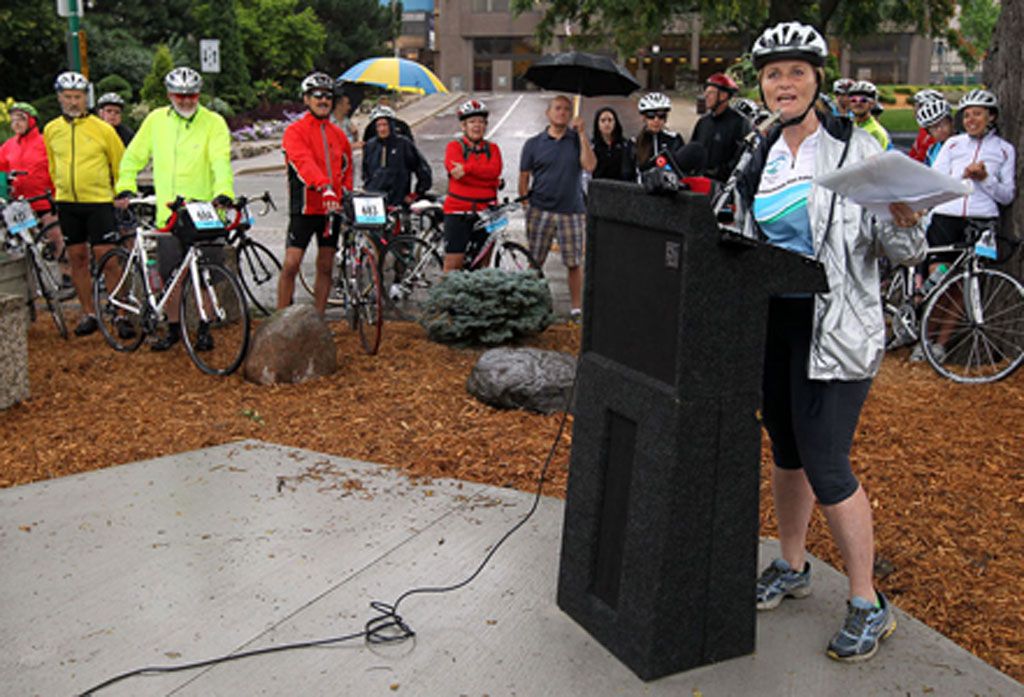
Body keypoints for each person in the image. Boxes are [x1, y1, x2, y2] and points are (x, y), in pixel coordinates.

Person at [736, 21, 927, 663]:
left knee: (826, 461)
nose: (784, 83)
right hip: (775, 327)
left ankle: (868, 602)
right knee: (787, 450)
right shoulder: (758, 152)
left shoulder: (855, 153)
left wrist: (905, 220)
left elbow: (902, 251)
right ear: (762, 85)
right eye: (773, 74)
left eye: (796, 71)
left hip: (837, 331)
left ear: (818, 79)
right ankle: (792, 565)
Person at [115, 66, 234, 352]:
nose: (186, 100)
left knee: (206, 276)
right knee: (170, 276)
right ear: (169, 94)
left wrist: (224, 193)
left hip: (202, 211)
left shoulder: (213, 122)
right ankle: (173, 329)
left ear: (199, 94)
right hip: (168, 213)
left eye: (191, 95)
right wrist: (125, 186)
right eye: (180, 95)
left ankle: (205, 328)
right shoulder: (156, 120)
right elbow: (133, 156)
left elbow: (220, 162)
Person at [911, 89, 1015, 362]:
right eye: (966, 115)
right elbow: (936, 182)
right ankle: (924, 338)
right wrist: (963, 176)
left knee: (962, 286)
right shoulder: (953, 145)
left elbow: (1007, 195)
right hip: (947, 217)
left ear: (991, 117)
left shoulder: (1005, 150)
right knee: (940, 281)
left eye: (977, 114)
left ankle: (940, 345)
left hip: (980, 220)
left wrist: (985, 179)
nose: (971, 120)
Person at [43, 71, 125, 337]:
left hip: (99, 202)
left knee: (108, 259)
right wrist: (57, 190)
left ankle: (121, 313)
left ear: (85, 98)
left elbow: (120, 163)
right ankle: (88, 312)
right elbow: (52, 164)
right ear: (59, 98)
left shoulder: (103, 129)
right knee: (77, 258)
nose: (73, 102)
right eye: (68, 97)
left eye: (77, 97)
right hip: (68, 202)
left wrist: (120, 192)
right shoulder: (52, 129)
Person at [278, 72, 354, 314]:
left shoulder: (338, 134)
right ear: (306, 99)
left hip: (331, 210)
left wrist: (345, 193)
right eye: (317, 95)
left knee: (326, 266)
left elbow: (347, 167)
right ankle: (280, 319)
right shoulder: (295, 131)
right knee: (291, 264)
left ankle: (318, 319)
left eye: (328, 96)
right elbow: (302, 162)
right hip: (305, 207)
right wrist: (324, 187)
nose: (323, 100)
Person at [518, 95, 596, 322]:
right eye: (558, 108)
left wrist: (582, 134)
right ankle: (531, 303)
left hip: (572, 211)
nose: (562, 112)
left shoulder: (577, 140)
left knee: (573, 262)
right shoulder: (533, 144)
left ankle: (576, 308)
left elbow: (590, 165)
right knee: (535, 261)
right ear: (548, 113)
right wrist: (526, 205)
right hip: (540, 210)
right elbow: (524, 177)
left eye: (566, 109)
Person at [0, 102, 67, 284]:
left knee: (55, 237)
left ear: (31, 121)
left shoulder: (45, 142)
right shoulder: (9, 146)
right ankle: (34, 279)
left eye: (21, 119)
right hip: (21, 203)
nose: (16, 123)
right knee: (25, 243)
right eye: (13, 119)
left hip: (45, 199)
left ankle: (65, 273)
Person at [442, 99, 503, 273]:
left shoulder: (493, 149)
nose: (477, 126)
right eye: (472, 122)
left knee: (482, 264)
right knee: (453, 265)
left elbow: (494, 171)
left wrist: (468, 169)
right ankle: (446, 292)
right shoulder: (454, 147)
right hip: (459, 211)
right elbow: (457, 174)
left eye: (481, 122)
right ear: (463, 126)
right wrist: (488, 180)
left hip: (487, 211)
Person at [362, 105, 432, 207]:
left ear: (391, 125)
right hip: (375, 201)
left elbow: (422, 169)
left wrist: (417, 193)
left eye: (385, 125)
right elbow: (366, 173)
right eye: (378, 125)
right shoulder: (370, 146)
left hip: (398, 202)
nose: (382, 129)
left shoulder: (404, 144)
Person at [691, 73, 752, 182]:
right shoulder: (703, 122)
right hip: (699, 183)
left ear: (724, 95)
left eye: (711, 93)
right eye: (705, 92)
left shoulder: (740, 123)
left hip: (725, 185)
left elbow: (743, 157)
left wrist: (721, 173)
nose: (706, 96)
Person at [634, 92, 685, 170]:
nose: (656, 120)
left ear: (665, 118)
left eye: (661, 116)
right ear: (644, 118)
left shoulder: (675, 139)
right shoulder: (634, 143)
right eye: (651, 116)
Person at [590, 107, 635, 182]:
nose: (607, 123)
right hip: (599, 185)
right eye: (603, 120)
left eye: (610, 120)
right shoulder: (592, 146)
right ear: (597, 124)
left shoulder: (625, 145)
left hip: (622, 185)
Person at [847, 80, 891, 150]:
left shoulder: (875, 132)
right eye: (853, 100)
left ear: (872, 104)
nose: (858, 103)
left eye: (863, 100)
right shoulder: (850, 126)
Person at [916, 97, 954, 167]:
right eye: (934, 127)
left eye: (942, 123)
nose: (939, 129)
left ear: (951, 122)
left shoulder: (966, 140)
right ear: (929, 132)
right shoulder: (932, 152)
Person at [908, 89, 944, 163]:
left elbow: (920, 160)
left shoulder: (932, 134)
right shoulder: (924, 130)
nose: (914, 109)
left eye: (916, 106)